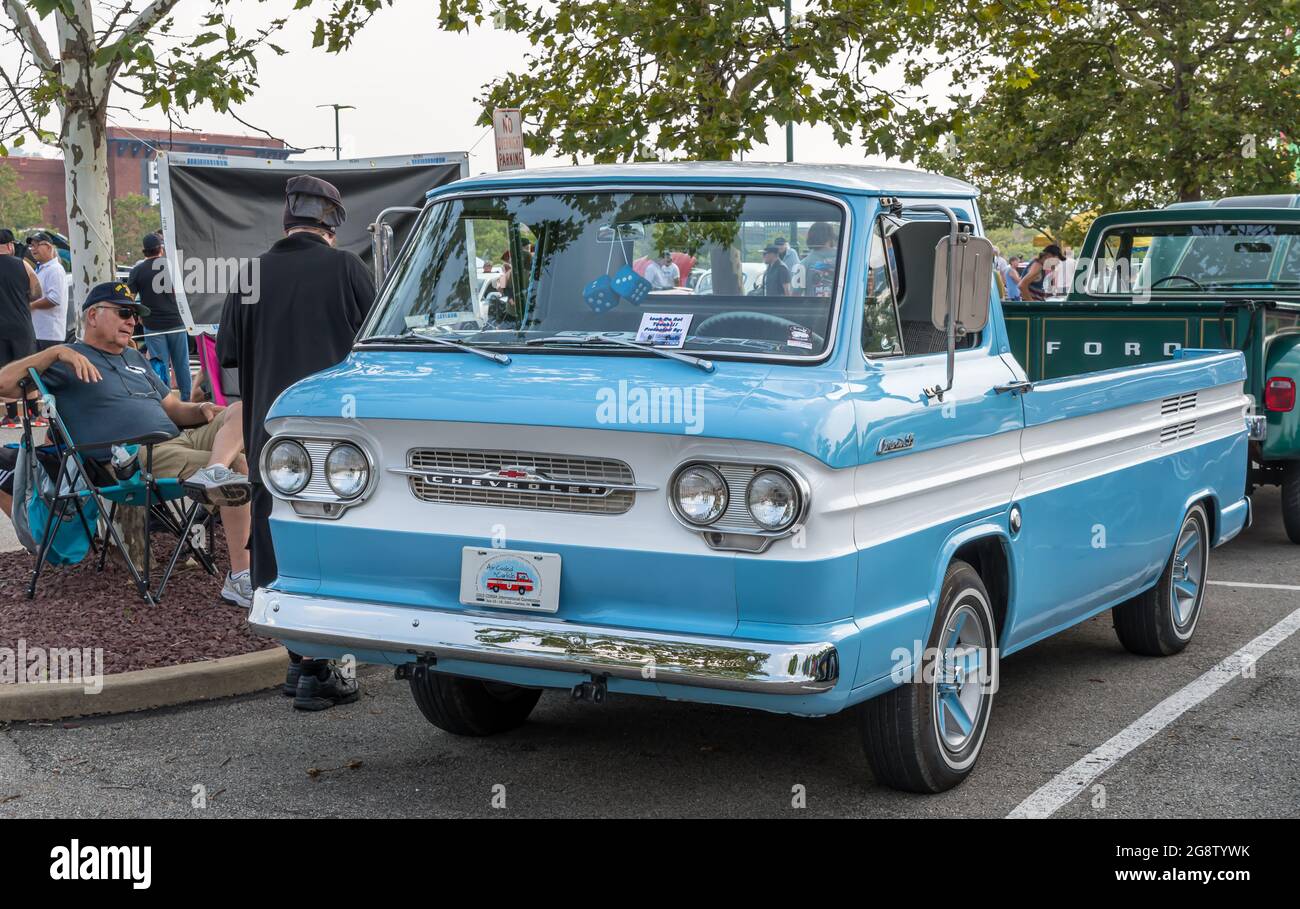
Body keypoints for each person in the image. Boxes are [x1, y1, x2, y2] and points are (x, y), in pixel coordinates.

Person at [218, 174, 376, 711]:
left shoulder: (250, 274)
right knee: (328, 537)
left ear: (286, 221)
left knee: (274, 534)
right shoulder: (347, 268)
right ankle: (319, 668)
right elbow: (376, 346)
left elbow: (229, 356)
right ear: (332, 223)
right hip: (337, 439)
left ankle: (298, 663)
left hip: (270, 437)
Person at [0, 281, 254, 606]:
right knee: (239, 466)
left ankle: (214, 470)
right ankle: (239, 576)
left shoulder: (135, 357)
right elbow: (4, 385)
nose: (132, 321)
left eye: (134, 315)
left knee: (244, 409)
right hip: (136, 458)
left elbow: (173, 409)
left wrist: (201, 409)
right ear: (93, 315)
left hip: (179, 437)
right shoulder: (66, 361)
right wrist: (55, 351)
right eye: (124, 313)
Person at [129, 232, 192, 401]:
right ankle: (187, 400)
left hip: (153, 324)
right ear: (160, 249)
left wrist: (139, 314)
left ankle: (166, 402)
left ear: (144, 251)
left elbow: (129, 298)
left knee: (159, 365)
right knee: (181, 364)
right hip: (176, 322)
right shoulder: (172, 267)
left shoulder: (137, 271)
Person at [0, 228, 42, 427]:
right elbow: (37, 292)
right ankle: (35, 414)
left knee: (4, 368)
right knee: (28, 366)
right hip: (22, 325)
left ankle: (11, 416)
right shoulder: (23, 265)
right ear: (10, 246)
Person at [26, 232, 67, 351]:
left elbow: (54, 299)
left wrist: (30, 306)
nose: (33, 249)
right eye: (31, 246)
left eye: (37, 245)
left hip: (49, 335)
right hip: (39, 333)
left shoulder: (55, 270)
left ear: (49, 247)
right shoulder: (41, 269)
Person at [799, 221, 839, 297]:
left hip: (812, 307)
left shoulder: (804, 263)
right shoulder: (845, 260)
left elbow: (795, 294)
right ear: (830, 238)